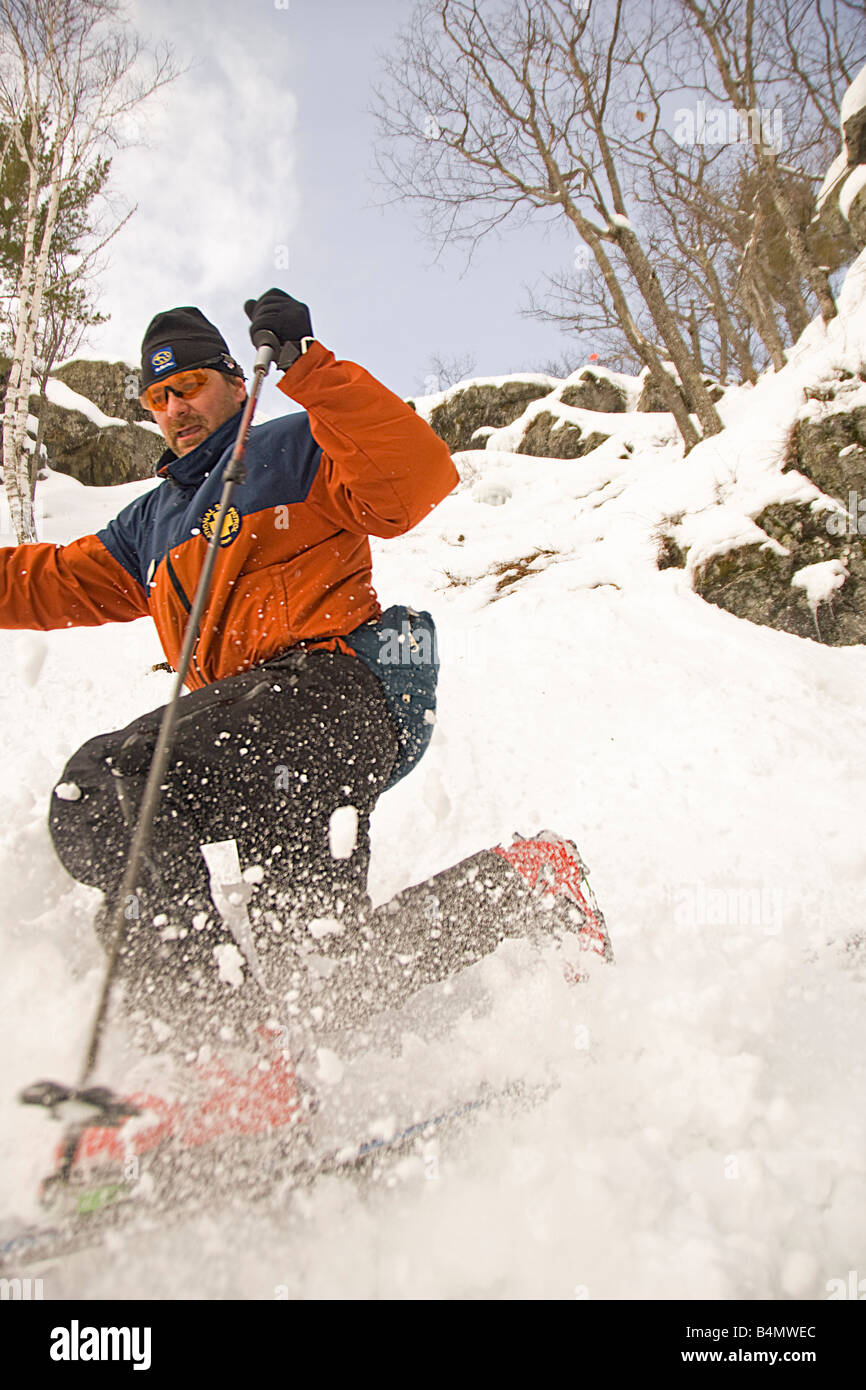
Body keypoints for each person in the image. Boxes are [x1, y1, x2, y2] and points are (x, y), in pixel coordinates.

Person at [0, 289, 466, 1050]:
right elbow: (44, 580)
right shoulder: (150, 523)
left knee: (148, 763)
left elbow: (414, 481)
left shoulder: (296, 446)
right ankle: (517, 894)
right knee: (88, 796)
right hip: (246, 729)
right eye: (158, 397)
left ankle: (223, 1054)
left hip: (338, 693)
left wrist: (310, 370)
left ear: (234, 381)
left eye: (189, 386)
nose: (175, 407)